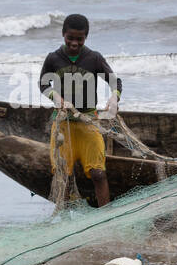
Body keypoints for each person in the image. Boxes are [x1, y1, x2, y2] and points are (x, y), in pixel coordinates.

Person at [39, 14, 122, 206]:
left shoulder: (93, 58)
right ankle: (66, 216)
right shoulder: (53, 58)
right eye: (70, 38)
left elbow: (114, 81)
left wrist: (114, 98)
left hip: (88, 123)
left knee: (98, 173)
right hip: (63, 126)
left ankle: (106, 215)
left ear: (86, 37)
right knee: (63, 175)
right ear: (63, 34)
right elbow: (43, 84)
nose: (74, 43)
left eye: (80, 39)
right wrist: (57, 98)